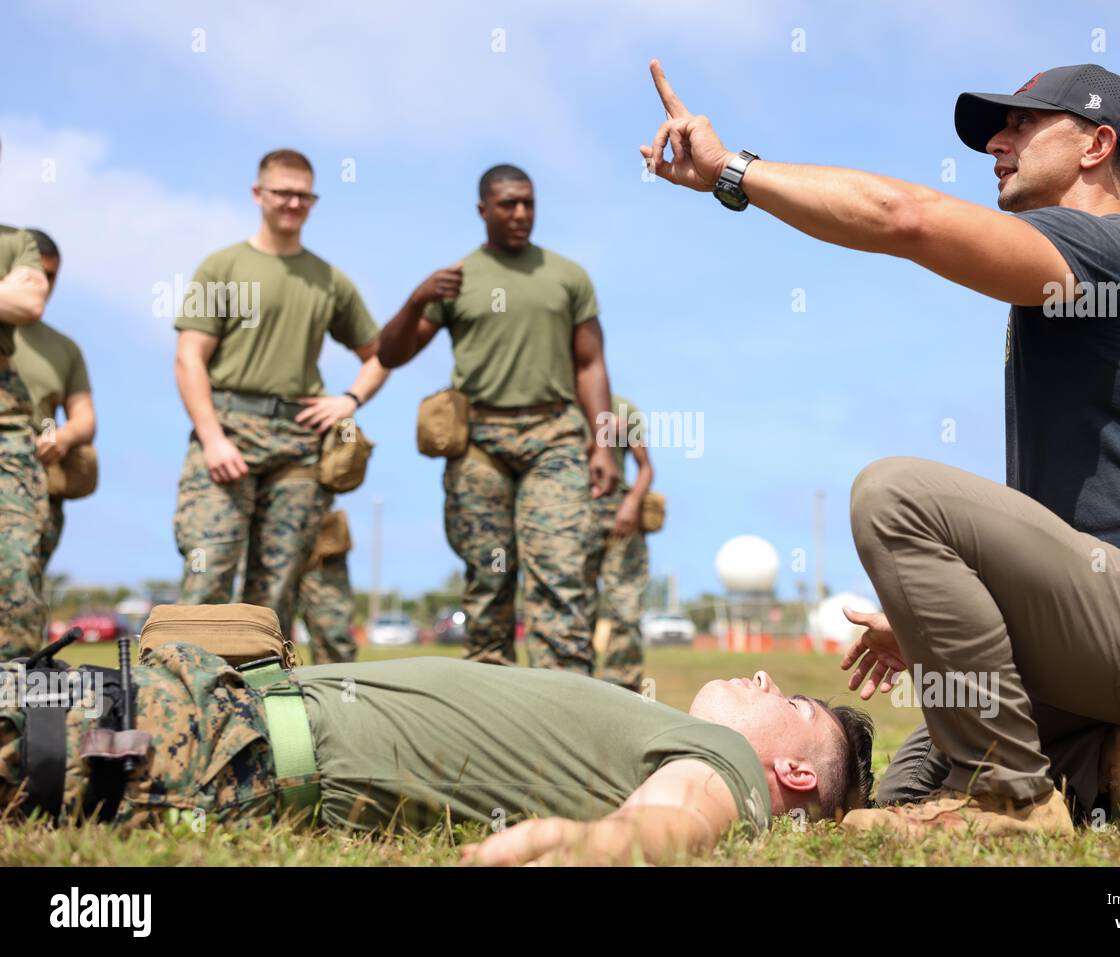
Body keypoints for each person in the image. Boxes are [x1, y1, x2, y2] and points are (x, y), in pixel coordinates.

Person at [640, 61, 1120, 836]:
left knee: (893, 493)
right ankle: (1075, 784)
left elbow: (908, 218)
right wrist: (944, 618)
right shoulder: (1086, 288)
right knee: (906, 787)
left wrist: (736, 171)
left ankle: (1017, 804)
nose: (997, 143)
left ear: (1099, 144)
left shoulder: (1112, 253)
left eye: (1023, 125)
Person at [0, 642, 875, 866]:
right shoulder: (677, 738)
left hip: (212, 744)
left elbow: (679, 818)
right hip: (209, 716)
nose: (766, 677)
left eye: (790, 702)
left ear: (792, 773)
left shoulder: (721, 760)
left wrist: (590, 845)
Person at [377, 164, 617, 674]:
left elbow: (590, 364)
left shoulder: (567, 275)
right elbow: (390, 353)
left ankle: (569, 705)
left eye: (529, 203)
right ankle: (492, 706)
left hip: (553, 439)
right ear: (483, 209)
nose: (521, 214)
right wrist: (417, 297)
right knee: (488, 579)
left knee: (560, 573)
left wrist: (602, 444)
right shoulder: (456, 279)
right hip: (479, 444)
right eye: (508, 204)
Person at [172, 149, 390, 638]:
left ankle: (260, 708)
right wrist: (212, 439)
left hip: (298, 445)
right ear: (258, 195)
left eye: (303, 195)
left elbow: (379, 355)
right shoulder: (222, 266)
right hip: (228, 432)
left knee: (274, 594)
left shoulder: (330, 280)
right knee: (208, 574)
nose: (293, 203)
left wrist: (349, 401)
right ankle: (180, 702)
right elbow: (190, 359)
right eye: (283, 192)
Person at [11, 230, 96, 574]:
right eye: (36, 274)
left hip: (36, 487)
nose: (44, 286)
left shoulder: (64, 348)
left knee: (22, 589)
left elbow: (85, 419)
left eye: (51, 276)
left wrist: (61, 437)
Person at [0, 137, 53, 660]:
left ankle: (11, 709)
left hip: (6, 421)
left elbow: (29, 299)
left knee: (15, 568)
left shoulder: (16, 242)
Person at [585, 393, 653, 690]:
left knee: (626, 610)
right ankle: (571, 688)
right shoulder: (554, 403)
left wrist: (632, 503)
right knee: (569, 609)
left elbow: (645, 467)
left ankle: (621, 691)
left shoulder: (624, 409)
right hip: (570, 517)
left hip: (619, 518)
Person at [294, 510, 358, 664]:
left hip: (321, 542)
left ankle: (338, 686)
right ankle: (266, 686)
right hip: (260, 534)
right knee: (261, 633)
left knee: (333, 634)